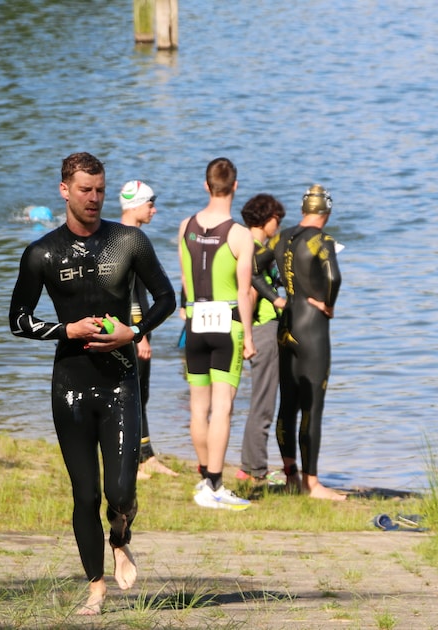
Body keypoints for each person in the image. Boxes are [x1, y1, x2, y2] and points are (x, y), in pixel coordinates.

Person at [9, 153, 175, 615]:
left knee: (121, 492)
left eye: (100, 190)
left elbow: (166, 298)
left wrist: (134, 332)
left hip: (121, 380)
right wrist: (67, 331)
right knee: (85, 492)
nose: (94, 198)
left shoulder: (129, 242)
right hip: (70, 387)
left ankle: (120, 535)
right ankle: (95, 588)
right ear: (64, 190)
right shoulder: (42, 253)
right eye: (85, 190)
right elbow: (18, 320)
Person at [177, 157, 256, 511]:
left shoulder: (184, 227)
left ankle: (205, 478)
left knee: (199, 407)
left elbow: (184, 280)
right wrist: (250, 337)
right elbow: (244, 293)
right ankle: (214, 484)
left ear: (206, 185)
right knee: (222, 408)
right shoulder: (241, 236)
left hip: (195, 322)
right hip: (227, 323)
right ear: (235, 186)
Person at [273, 184, 346, 501]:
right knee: (312, 408)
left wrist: (275, 299)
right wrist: (327, 303)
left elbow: (252, 272)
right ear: (325, 213)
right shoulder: (322, 241)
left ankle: (290, 477)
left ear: (304, 210)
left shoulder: (282, 236)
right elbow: (333, 277)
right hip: (313, 330)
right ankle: (312, 483)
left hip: (287, 325)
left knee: (287, 405)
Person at [116, 180, 178, 480]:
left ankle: (145, 454)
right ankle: (131, 459)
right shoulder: (129, 239)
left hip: (136, 328)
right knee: (131, 394)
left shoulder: (129, 236)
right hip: (132, 331)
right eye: (150, 204)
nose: (154, 209)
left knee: (141, 393)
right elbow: (128, 293)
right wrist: (138, 333)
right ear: (135, 205)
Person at [236, 194, 288, 486]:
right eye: (276, 221)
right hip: (263, 327)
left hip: (258, 327)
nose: (278, 226)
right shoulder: (255, 249)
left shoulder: (244, 245)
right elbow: (252, 290)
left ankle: (250, 463)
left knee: (261, 398)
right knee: (264, 400)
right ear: (266, 219)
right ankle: (255, 467)